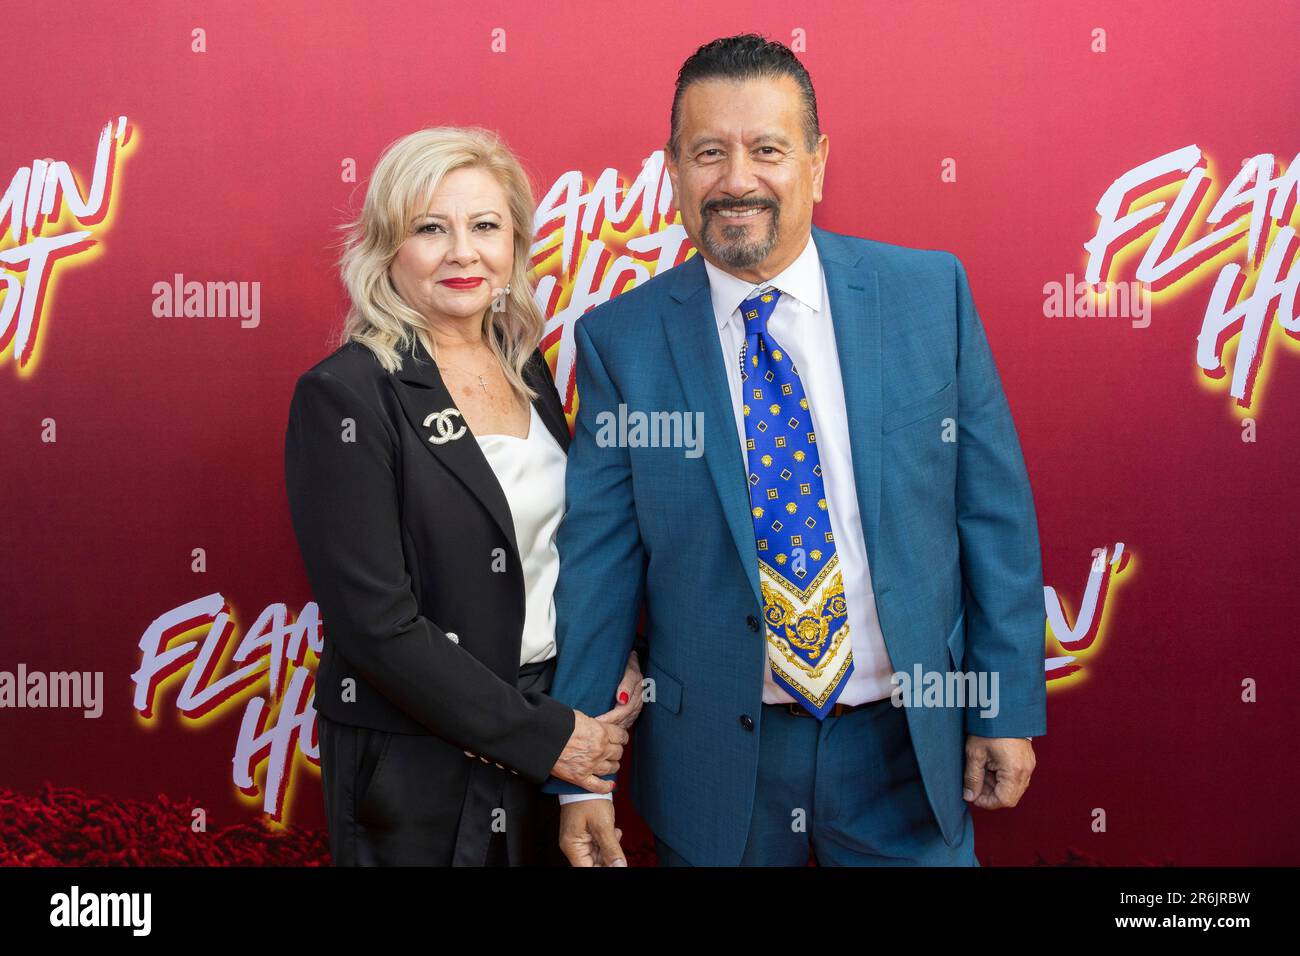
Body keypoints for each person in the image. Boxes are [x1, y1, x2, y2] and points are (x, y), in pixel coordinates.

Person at [543, 34, 1046, 866]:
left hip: (908, 755)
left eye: (767, 149)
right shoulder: (619, 343)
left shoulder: (928, 297)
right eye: (710, 152)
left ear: (816, 163)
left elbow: (992, 517)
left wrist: (1003, 705)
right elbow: (598, 570)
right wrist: (584, 780)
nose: (737, 179)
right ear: (673, 170)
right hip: (718, 770)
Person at [284, 126, 642, 866]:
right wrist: (547, 738)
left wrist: (611, 655)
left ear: (513, 244)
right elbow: (377, 626)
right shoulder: (344, 395)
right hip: (422, 764)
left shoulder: (524, 367)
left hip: (551, 728)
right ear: (387, 248)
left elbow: (555, 548)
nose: (462, 252)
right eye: (429, 228)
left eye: (485, 226)